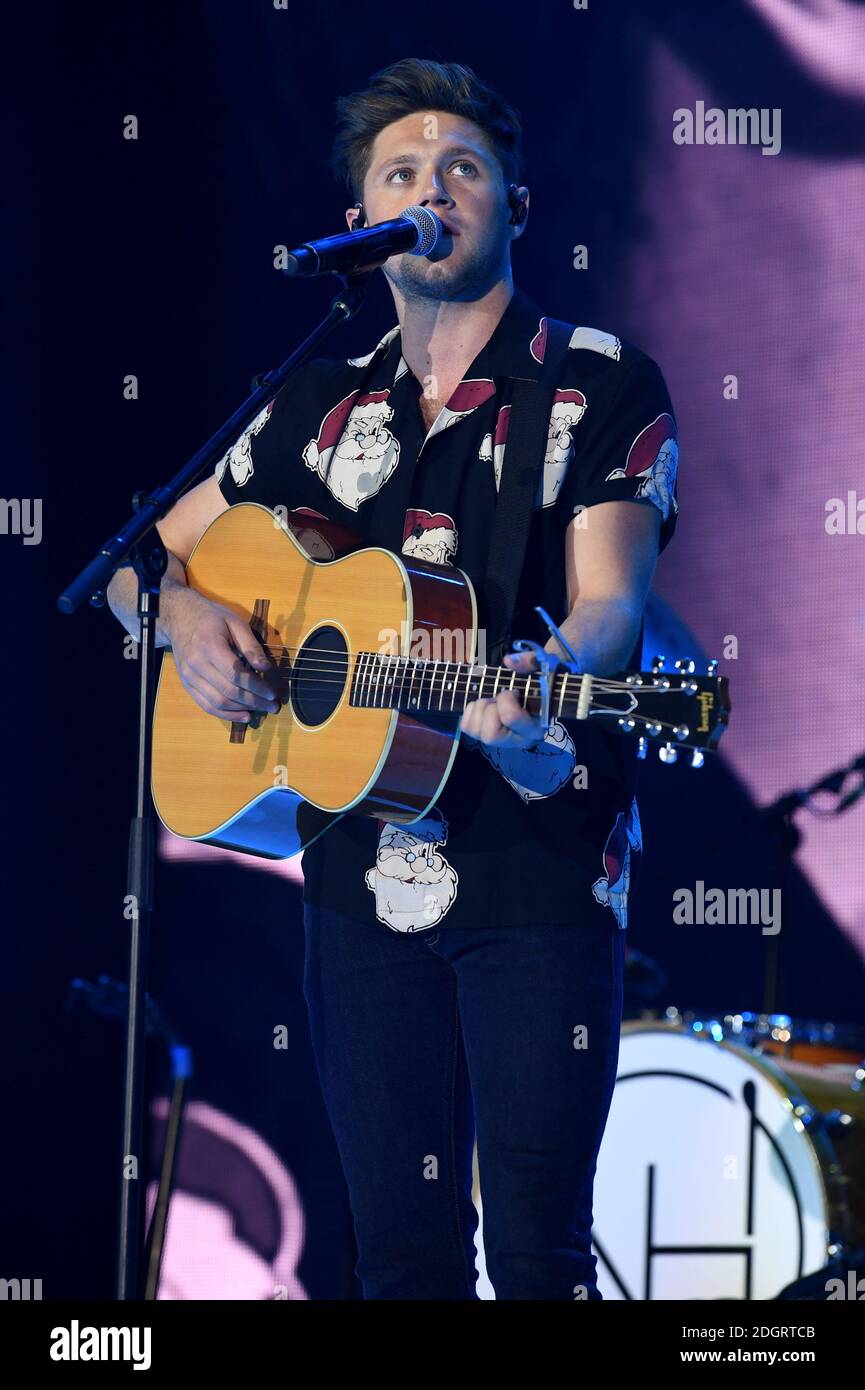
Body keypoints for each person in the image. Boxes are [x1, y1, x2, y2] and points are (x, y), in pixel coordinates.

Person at [107, 57, 679, 1300]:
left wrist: (545, 681)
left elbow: (611, 611)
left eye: (462, 168)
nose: (434, 189)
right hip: (357, 887)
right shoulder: (310, 400)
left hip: (537, 869)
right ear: (366, 222)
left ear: (514, 206)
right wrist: (186, 619)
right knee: (402, 1259)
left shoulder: (597, 381)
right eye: (402, 174)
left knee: (537, 1253)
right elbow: (138, 562)